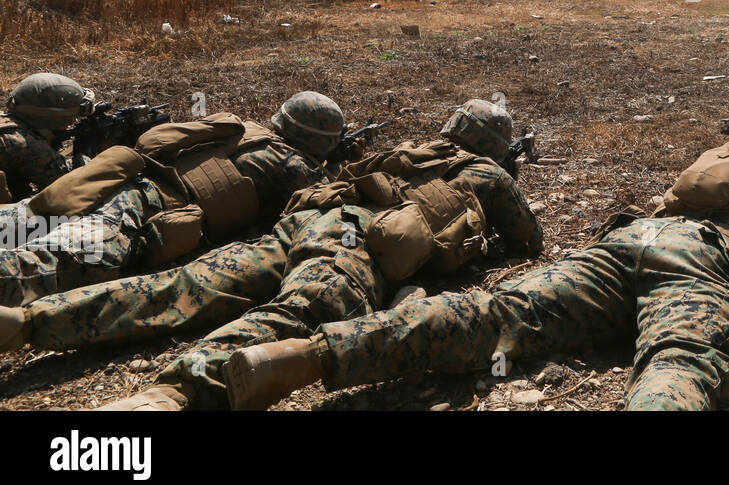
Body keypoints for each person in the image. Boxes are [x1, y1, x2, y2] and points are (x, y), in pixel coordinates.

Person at [221, 113, 729, 411]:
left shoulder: (721, 162)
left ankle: (301, 358)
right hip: (704, 264)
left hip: (626, 245)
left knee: (492, 314)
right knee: (685, 357)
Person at [0, 119, 543, 411]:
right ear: (495, 146)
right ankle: (177, 394)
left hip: (304, 222)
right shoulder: (486, 173)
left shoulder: (415, 148)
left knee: (186, 284)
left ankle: (28, 322)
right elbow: (529, 242)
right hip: (354, 241)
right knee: (298, 314)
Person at [0, 91, 343, 305]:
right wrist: (339, 166)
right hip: (138, 209)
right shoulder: (293, 164)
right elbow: (324, 203)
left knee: (18, 224)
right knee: (53, 265)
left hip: (112, 181)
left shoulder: (244, 129)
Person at [0, 73, 95, 202]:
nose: (72, 123)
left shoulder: (6, 125)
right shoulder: (27, 145)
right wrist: (82, 154)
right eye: (70, 118)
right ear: (51, 119)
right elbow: (71, 192)